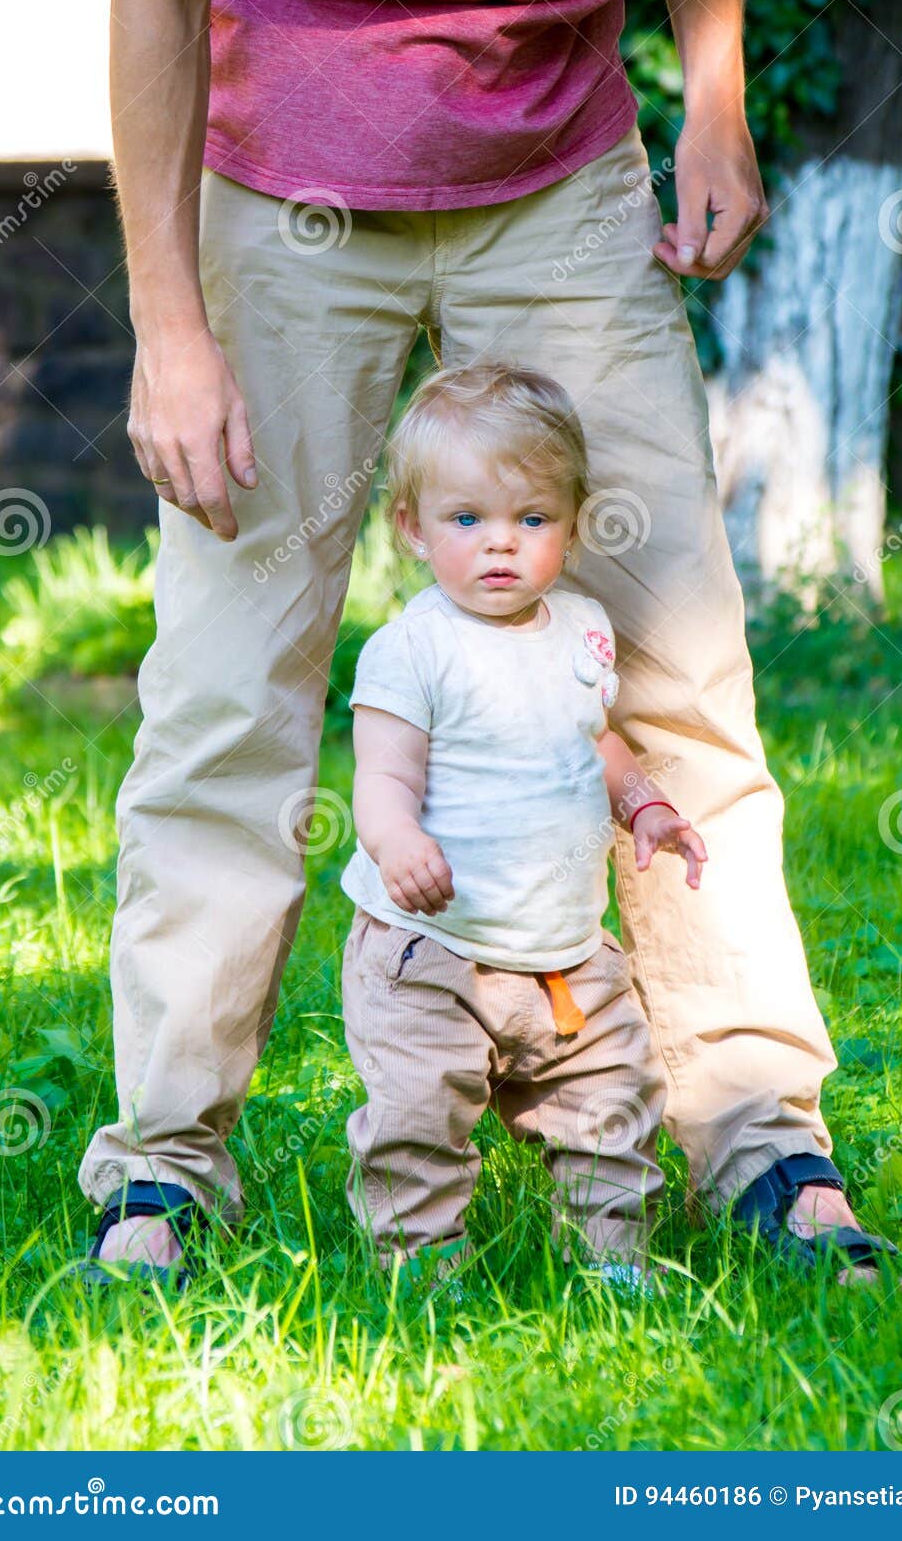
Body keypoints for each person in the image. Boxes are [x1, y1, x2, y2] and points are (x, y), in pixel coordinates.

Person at [79, 0, 899, 1289]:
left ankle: (759, 1129)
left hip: (557, 179)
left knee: (675, 659)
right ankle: (165, 1156)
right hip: (288, 186)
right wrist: (169, 323)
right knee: (230, 684)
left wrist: (715, 102)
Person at [338, 364, 707, 1293]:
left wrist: (643, 802)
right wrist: (397, 844)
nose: (500, 544)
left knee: (611, 1100)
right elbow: (380, 777)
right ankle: (423, 1263)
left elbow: (596, 740)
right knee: (420, 1115)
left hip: (565, 956)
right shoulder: (412, 648)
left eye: (531, 520)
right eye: (467, 520)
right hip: (433, 949)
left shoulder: (581, 628)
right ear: (412, 529)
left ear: (573, 528)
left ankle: (613, 1254)